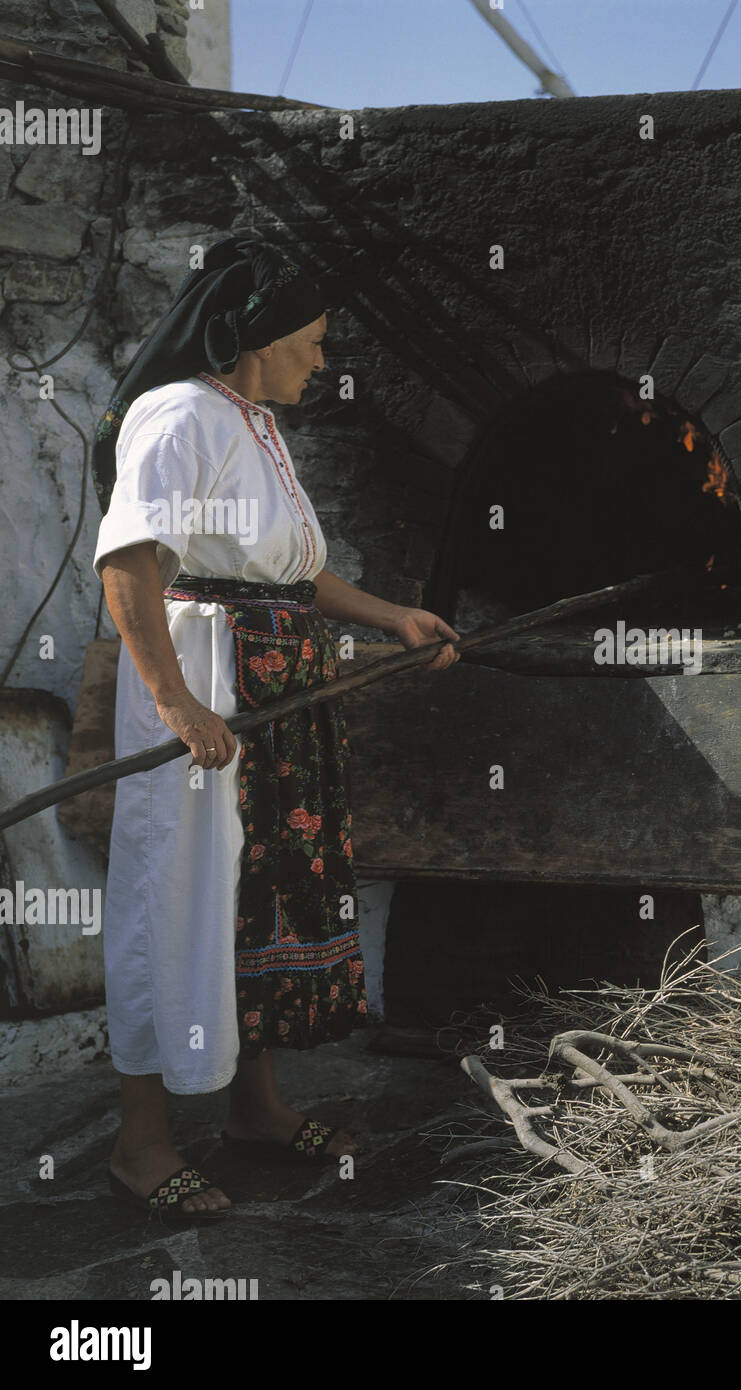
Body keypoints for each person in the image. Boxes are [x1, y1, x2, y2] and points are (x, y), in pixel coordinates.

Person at [92, 237, 459, 1219]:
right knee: (175, 894)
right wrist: (176, 703)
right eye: (312, 340)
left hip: (275, 687)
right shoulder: (178, 416)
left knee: (255, 897)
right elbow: (128, 563)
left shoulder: (249, 419)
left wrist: (389, 616)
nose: (322, 360)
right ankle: (141, 1141)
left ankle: (251, 1108)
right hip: (208, 680)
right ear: (255, 339)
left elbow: (285, 569)